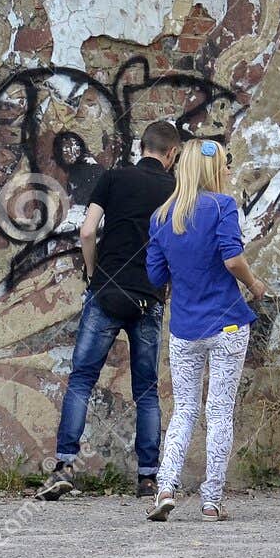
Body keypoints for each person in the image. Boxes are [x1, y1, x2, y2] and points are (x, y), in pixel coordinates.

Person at [36, 122, 181, 500]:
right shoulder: (175, 190)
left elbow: (86, 232)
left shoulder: (114, 178)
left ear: (142, 147)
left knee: (82, 379)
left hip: (106, 291)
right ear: (172, 154)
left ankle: (64, 466)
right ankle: (149, 477)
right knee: (146, 390)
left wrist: (92, 271)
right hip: (148, 296)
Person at [143, 139, 267, 522]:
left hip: (184, 328)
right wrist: (255, 285)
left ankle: (165, 487)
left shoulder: (162, 217)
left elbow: (155, 275)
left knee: (183, 410)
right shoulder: (222, 206)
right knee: (219, 411)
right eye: (226, 165)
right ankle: (211, 500)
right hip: (227, 322)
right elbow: (232, 258)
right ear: (211, 170)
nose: (229, 170)